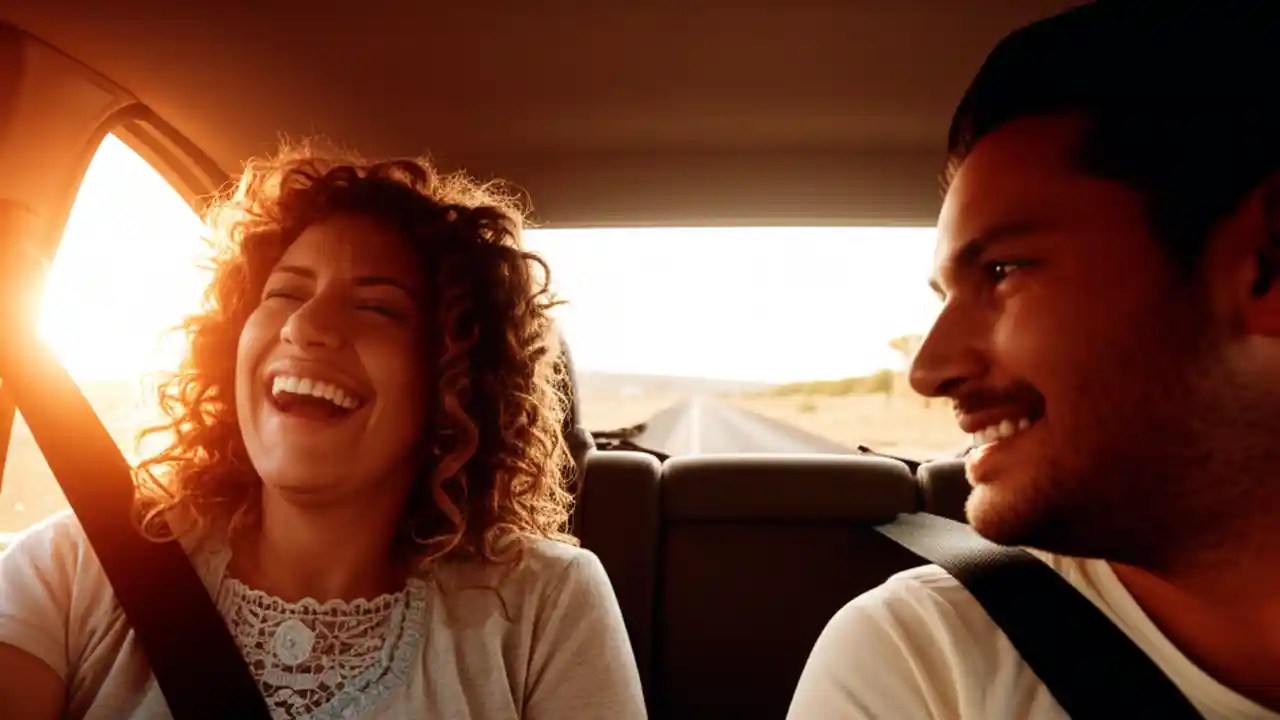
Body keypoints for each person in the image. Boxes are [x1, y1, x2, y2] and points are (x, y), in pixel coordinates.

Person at [0, 142, 647, 719]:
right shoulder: (73, 567)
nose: (306, 326)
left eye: (376, 307)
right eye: (283, 293)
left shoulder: (545, 605)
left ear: (453, 379)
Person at [789, 1, 1280, 718]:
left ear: (1265, 267)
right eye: (945, 294)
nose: (929, 372)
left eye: (1004, 270)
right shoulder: (926, 660)